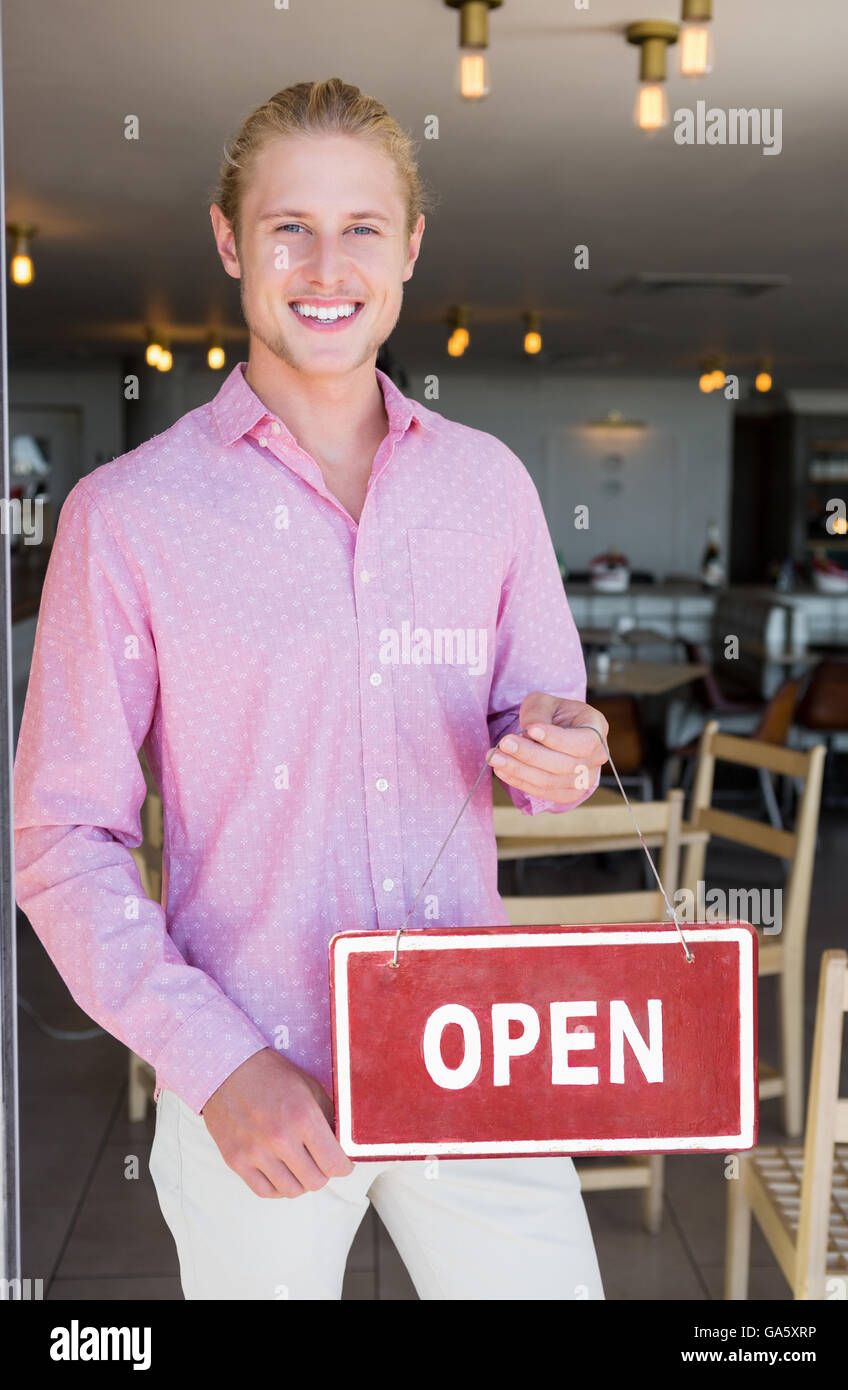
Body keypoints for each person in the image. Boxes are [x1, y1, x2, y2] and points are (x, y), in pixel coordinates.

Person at [13, 78, 609, 1301]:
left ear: (410, 248)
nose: (324, 263)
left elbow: (544, 726)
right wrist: (213, 1062)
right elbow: (59, 836)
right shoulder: (126, 516)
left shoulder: (487, 487)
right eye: (288, 226)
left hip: (473, 1056)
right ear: (230, 240)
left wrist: (562, 747)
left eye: (361, 228)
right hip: (255, 1078)